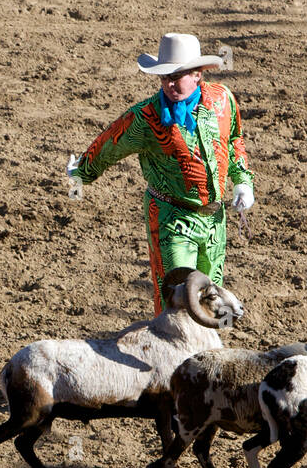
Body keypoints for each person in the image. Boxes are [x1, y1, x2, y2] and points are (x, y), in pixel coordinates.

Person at [68, 32, 254, 315]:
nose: (168, 84)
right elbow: (110, 144)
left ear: (197, 74)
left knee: (214, 292)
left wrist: (242, 181)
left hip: (215, 218)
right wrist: (81, 172)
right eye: (164, 77)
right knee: (178, 293)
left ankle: (217, 350)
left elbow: (233, 140)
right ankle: (173, 353)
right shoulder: (146, 117)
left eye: (175, 76)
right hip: (171, 217)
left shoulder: (223, 100)